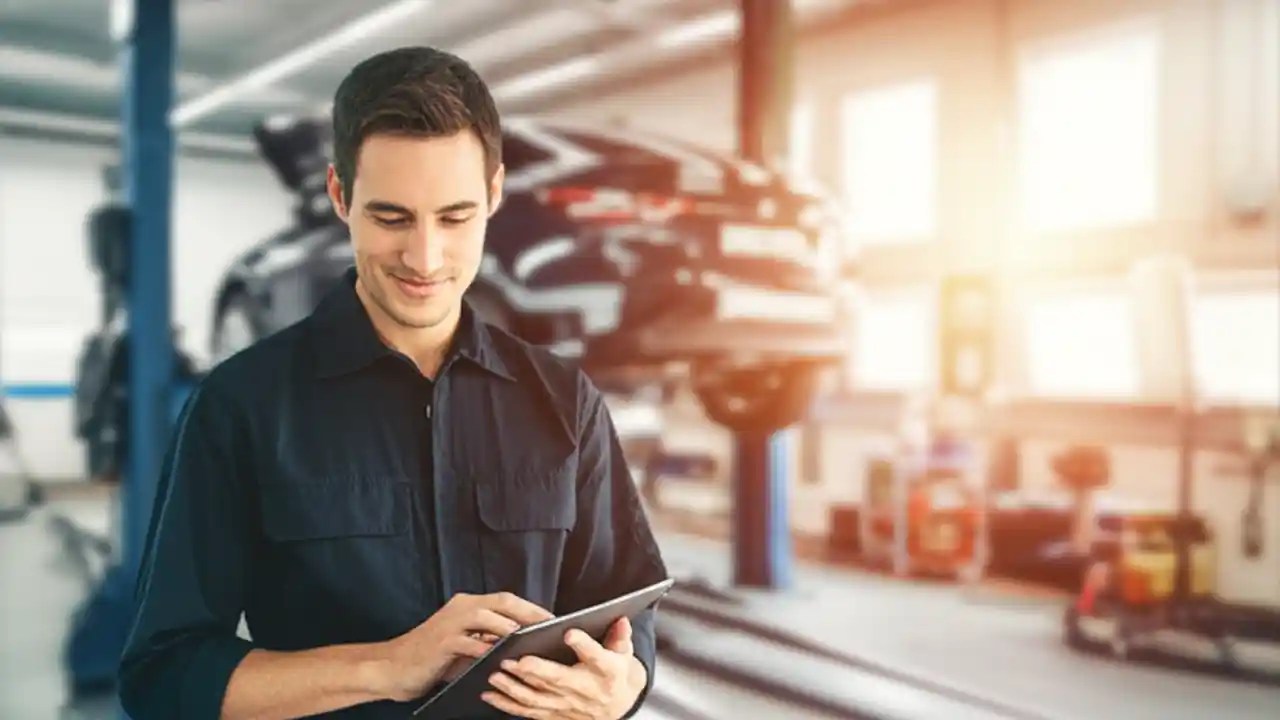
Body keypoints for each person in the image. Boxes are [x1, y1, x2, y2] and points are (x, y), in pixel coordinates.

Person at [118, 46, 669, 720]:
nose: (425, 257)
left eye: (455, 217)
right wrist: (388, 666)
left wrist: (622, 687)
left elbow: (628, 616)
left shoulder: (564, 401)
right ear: (339, 196)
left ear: (494, 194)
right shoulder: (243, 407)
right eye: (391, 218)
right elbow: (164, 676)